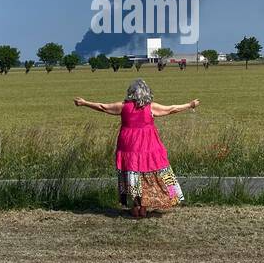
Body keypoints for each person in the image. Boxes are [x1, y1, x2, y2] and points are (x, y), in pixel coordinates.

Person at [74, 78, 198, 218]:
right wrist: (190, 104)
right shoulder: (150, 107)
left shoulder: (123, 106)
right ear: (146, 92)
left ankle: (135, 205)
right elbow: (171, 109)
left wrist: (84, 103)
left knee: (131, 173)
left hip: (128, 145)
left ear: (131, 93)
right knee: (148, 172)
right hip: (149, 145)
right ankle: (143, 207)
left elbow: (103, 107)